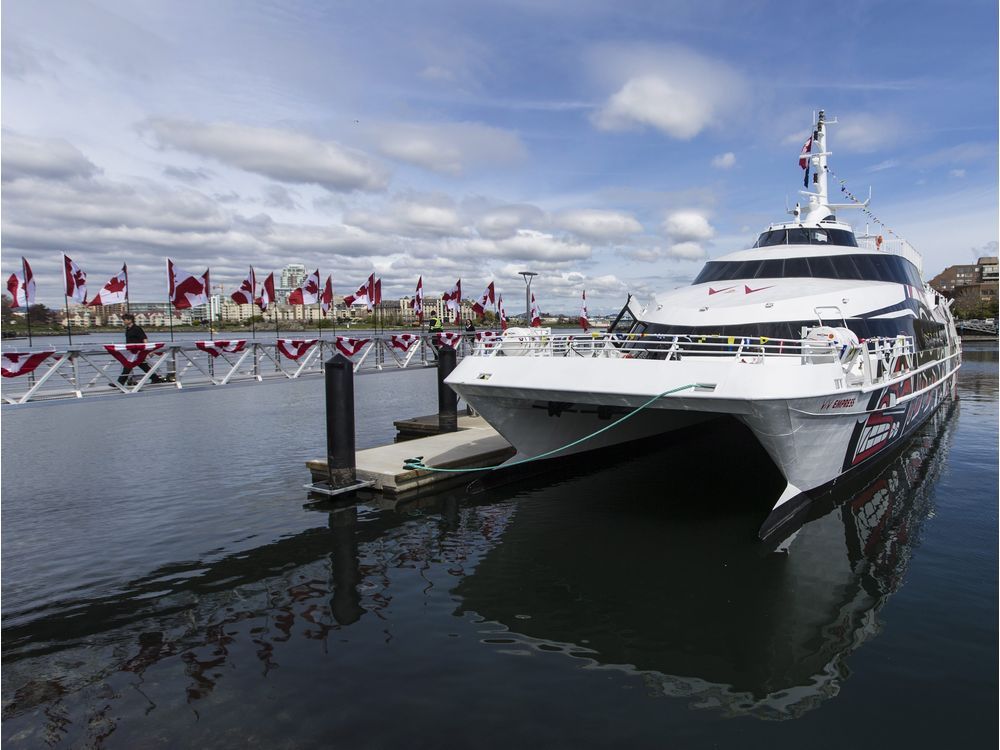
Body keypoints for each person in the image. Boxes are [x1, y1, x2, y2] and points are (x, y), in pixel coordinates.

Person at [117, 313, 166, 385]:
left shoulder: (137, 328)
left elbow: (144, 339)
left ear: (130, 320)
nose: (123, 321)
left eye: (124, 320)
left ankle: (120, 382)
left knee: (128, 366)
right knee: (143, 366)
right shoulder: (127, 329)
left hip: (138, 351)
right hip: (131, 351)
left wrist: (148, 350)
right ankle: (155, 379)